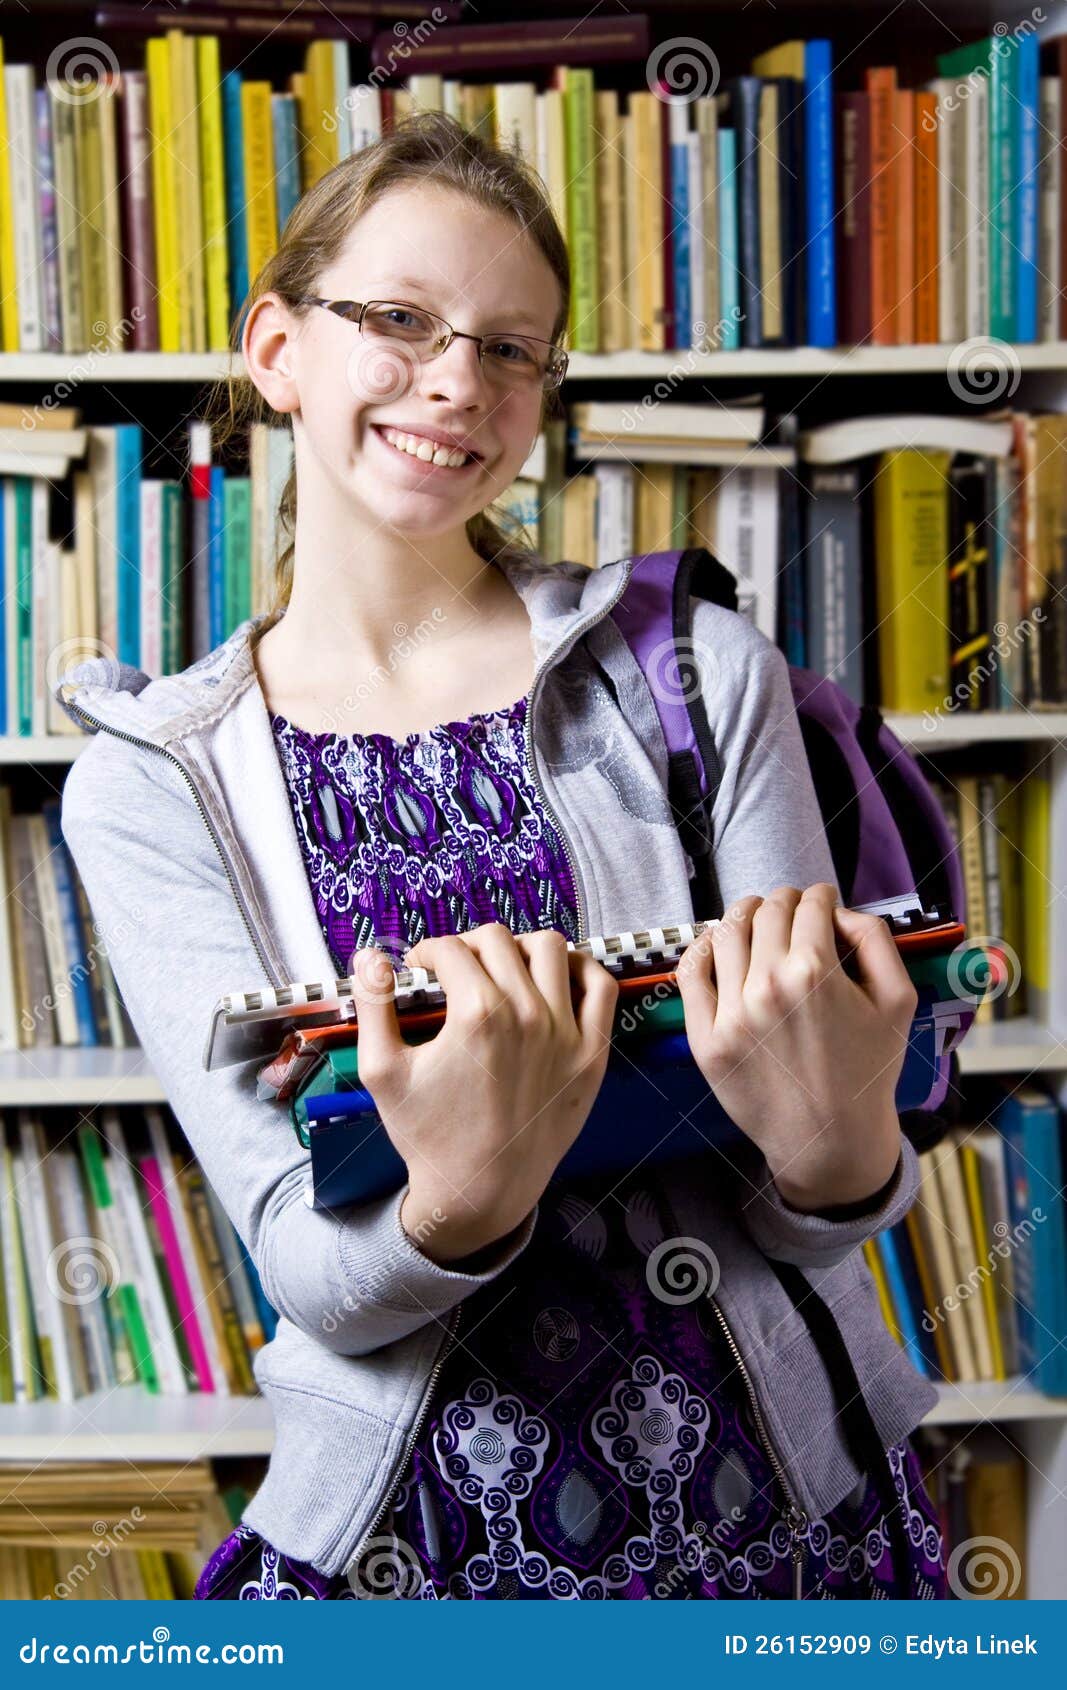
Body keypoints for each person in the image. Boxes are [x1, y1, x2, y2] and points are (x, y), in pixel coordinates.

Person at [56, 112, 946, 1601]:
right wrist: (468, 1187)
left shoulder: (699, 671)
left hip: (784, 1514)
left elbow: (827, 1204)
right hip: (406, 1553)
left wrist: (845, 1141)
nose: (458, 382)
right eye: (400, 320)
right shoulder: (153, 786)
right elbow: (312, 1271)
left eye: (511, 349)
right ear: (276, 349)